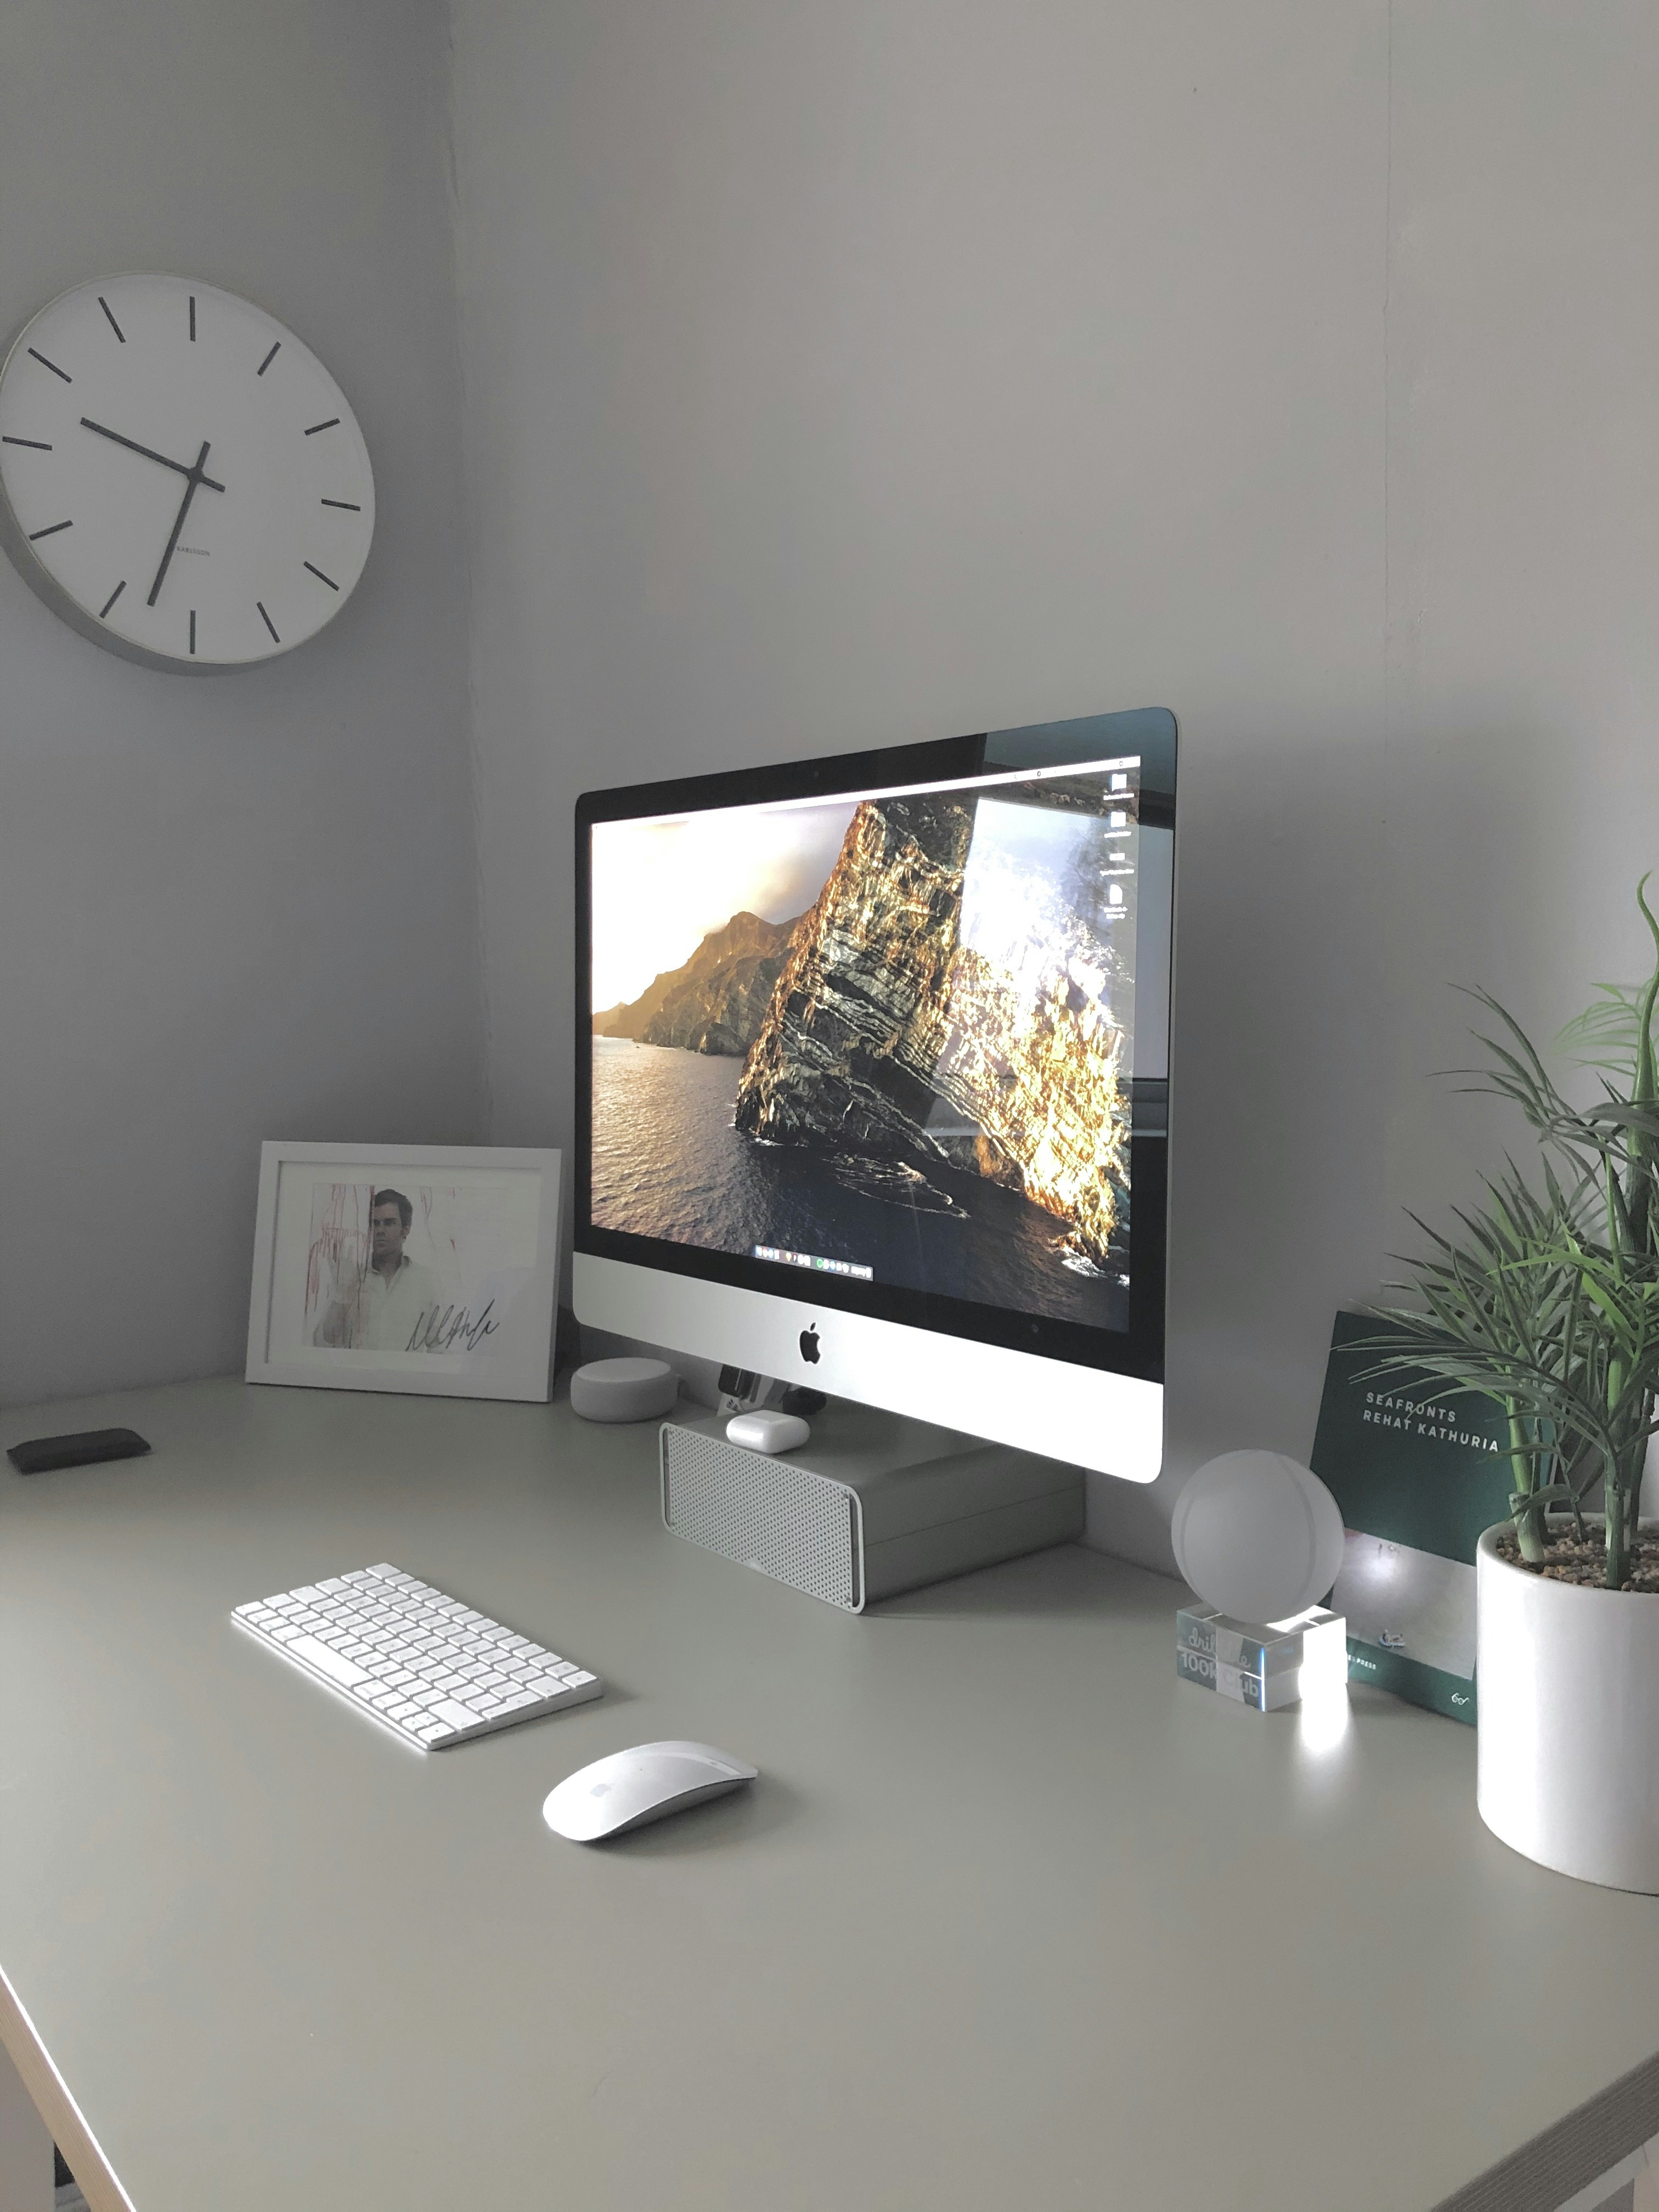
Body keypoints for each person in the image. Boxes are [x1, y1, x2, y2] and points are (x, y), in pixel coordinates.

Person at [313, 1188, 444, 1352]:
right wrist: (341, 1297)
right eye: (375, 1223)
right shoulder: (350, 1279)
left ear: (405, 1230)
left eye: (389, 1223)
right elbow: (321, 1343)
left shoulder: (426, 1281)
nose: (380, 1230)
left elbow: (440, 1348)